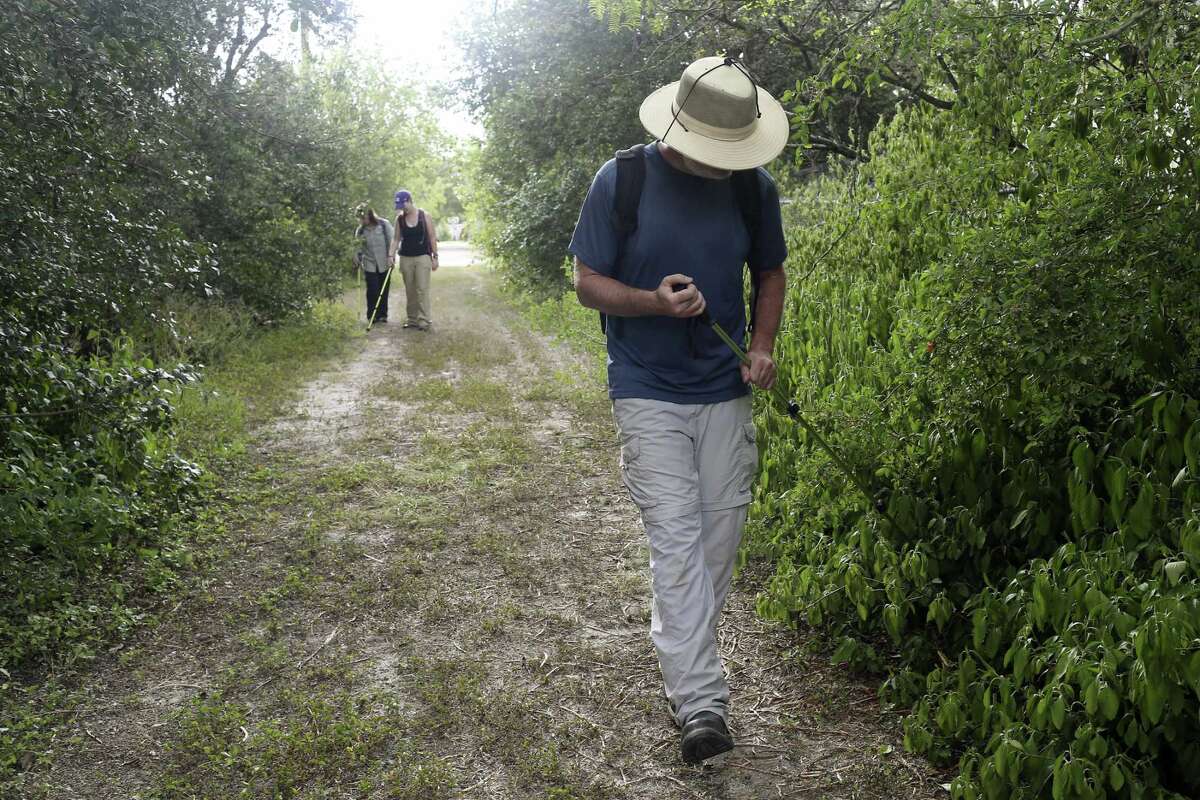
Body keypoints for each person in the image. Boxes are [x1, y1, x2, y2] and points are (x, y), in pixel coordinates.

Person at [568, 56, 789, 764]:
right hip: (645, 387)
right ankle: (700, 703)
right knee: (675, 539)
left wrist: (761, 346)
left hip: (724, 390)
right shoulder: (622, 180)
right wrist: (652, 303)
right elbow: (587, 282)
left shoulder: (754, 189)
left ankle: (683, 651)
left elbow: (771, 272)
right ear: (682, 131)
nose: (725, 164)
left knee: (717, 543)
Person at [388, 189, 438, 331]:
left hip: (423, 257)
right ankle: (412, 320)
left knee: (422, 289)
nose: (402, 209)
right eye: (399, 207)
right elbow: (396, 239)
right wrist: (390, 255)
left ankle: (424, 320)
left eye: (403, 206)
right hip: (406, 258)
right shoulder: (399, 219)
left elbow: (432, 237)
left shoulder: (424, 216)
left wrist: (435, 257)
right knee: (410, 290)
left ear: (409, 201)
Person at [354, 204, 394, 324]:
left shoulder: (384, 224)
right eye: (360, 218)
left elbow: (392, 241)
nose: (362, 220)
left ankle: (383, 314)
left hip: (384, 261)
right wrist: (356, 257)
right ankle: (372, 315)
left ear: (369, 215)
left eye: (363, 217)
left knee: (383, 289)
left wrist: (391, 257)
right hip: (369, 262)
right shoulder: (360, 230)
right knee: (372, 289)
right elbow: (357, 246)